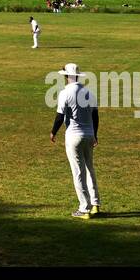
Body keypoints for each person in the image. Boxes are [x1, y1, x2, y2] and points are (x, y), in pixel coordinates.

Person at [50, 62, 101, 218]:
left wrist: (53, 132)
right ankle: (95, 204)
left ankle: (84, 208)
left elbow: (60, 116)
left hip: (73, 136)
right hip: (89, 135)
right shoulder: (88, 93)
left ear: (66, 76)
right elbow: (95, 116)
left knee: (78, 172)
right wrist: (94, 134)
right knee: (89, 169)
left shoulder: (65, 93)